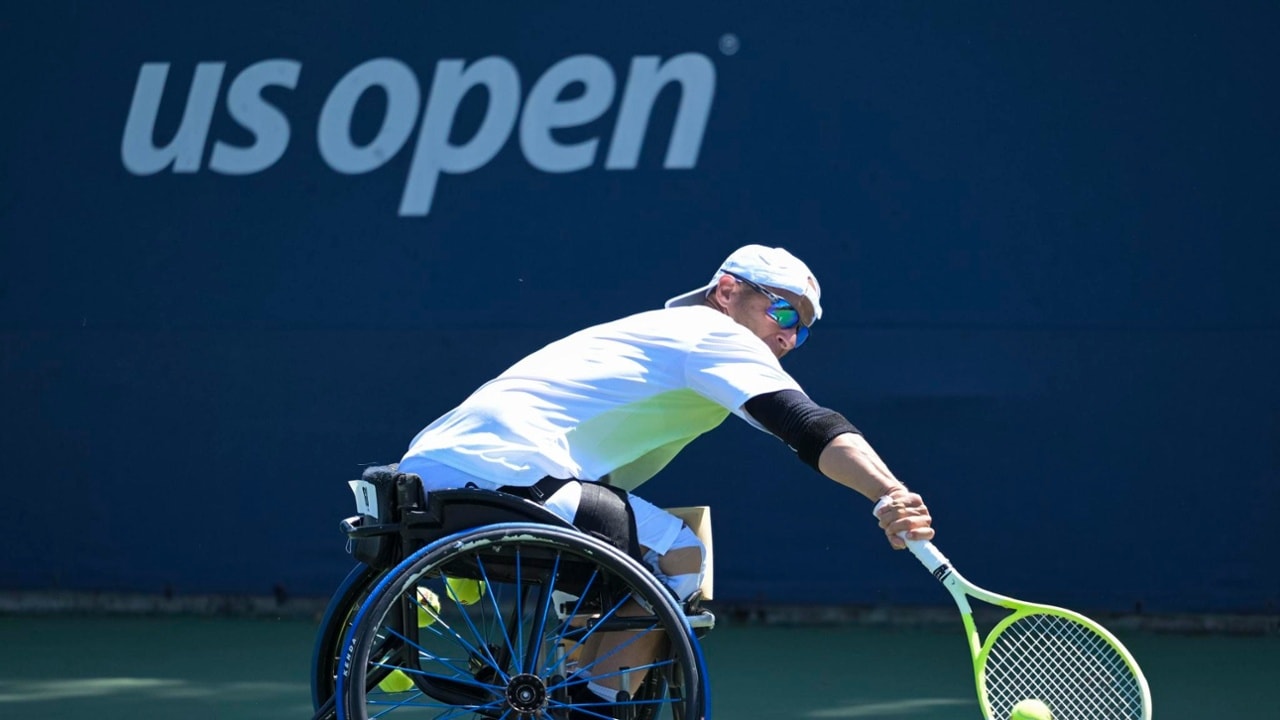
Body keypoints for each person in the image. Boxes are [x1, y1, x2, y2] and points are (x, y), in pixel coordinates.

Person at [397, 244, 934, 716]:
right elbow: (807, 425)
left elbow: (607, 483)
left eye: (803, 328)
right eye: (783, 310)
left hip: (425, 478)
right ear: (727, 292)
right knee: (680, 555)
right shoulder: (714, 336)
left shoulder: (656, 339)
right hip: (508, 477)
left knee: (623, 542)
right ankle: (589, 709)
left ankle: (550, 669)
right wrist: (888, 493)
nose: (789, 336)